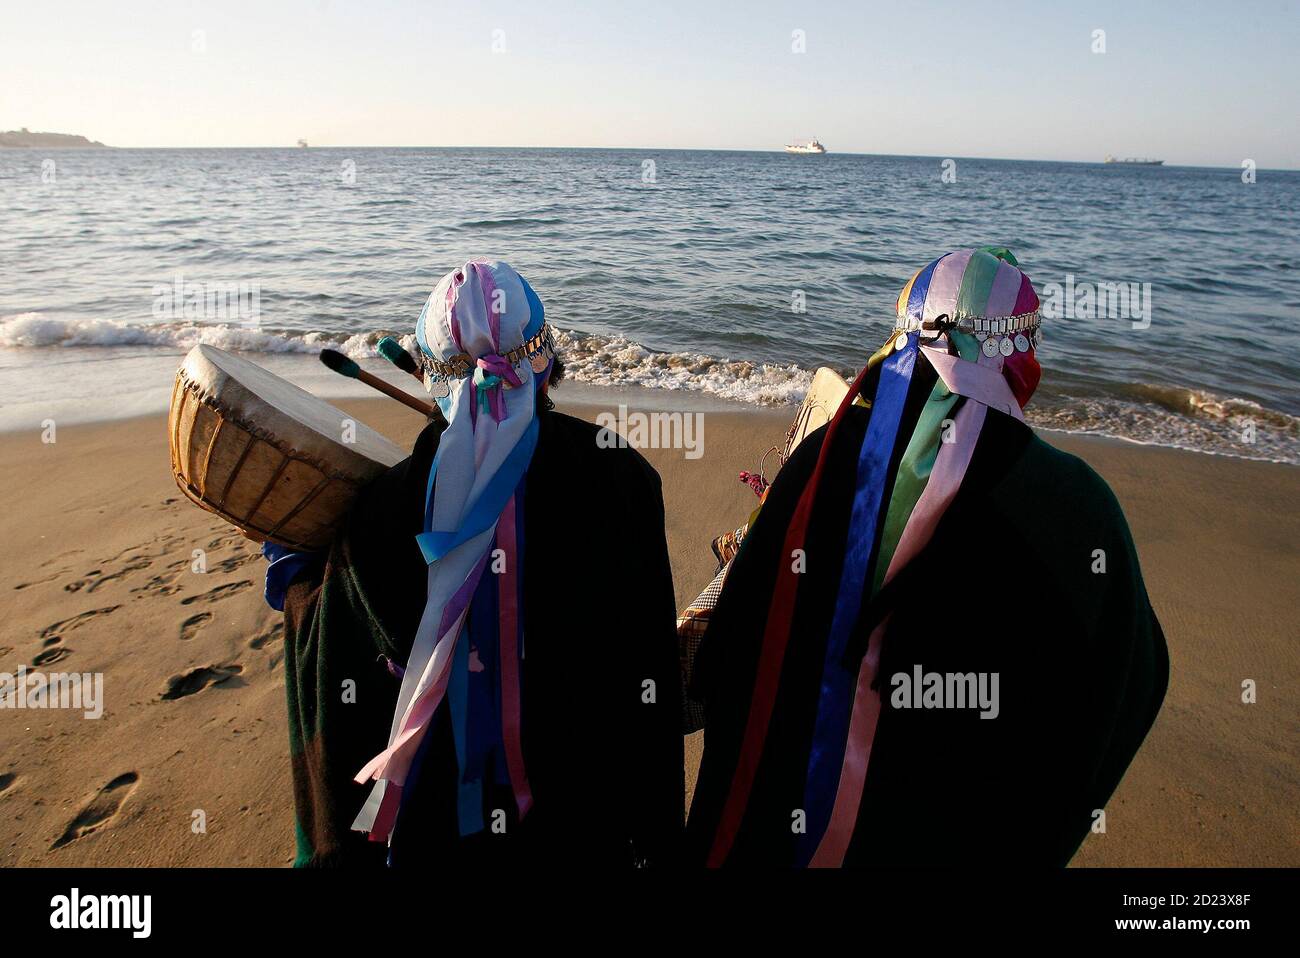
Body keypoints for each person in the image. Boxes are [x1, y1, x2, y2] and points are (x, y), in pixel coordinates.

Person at [685, 247, 1169, 867]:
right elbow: (1130, 682)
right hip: (946, 831)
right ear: (1022, 354)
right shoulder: (1076, 504)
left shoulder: (821, 457)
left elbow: (730, 650)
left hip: (774, 815)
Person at [271, 260, 683, 867]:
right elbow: (646, 664)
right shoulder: (621, 476)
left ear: (435, 382)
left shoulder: (380, 509)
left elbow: (331, 640)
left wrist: (294, 566)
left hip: (437, 820)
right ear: (546, 362)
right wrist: (656, 836)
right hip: (581, 808)